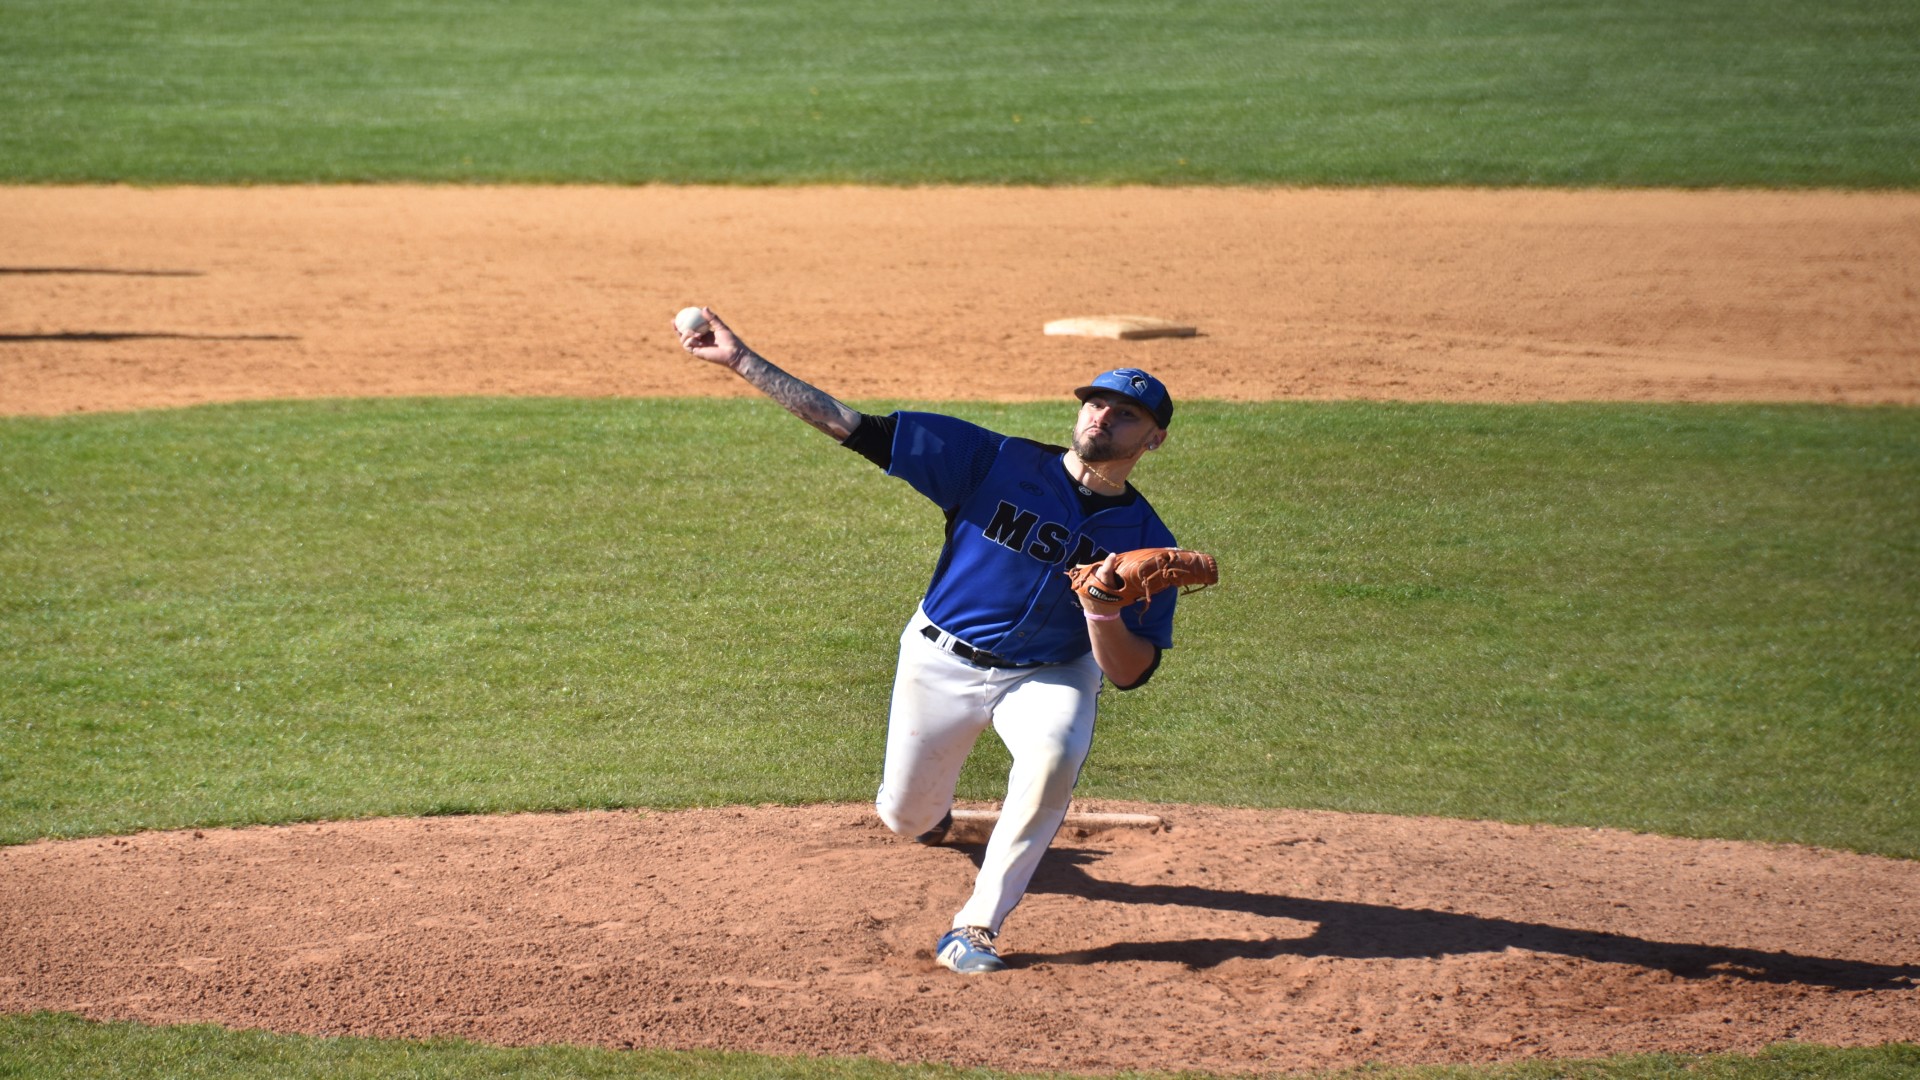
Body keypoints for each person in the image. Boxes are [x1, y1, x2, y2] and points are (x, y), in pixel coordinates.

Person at [675, 308, 1191, 974]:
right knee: (906, 818)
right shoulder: (995, 461)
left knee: (1056, 756)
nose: (1102, 418)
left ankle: (974, 928)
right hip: (939, 657)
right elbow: (851, 426)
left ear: (1155, 439)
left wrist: (1103, 614)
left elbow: (1129, 672)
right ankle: (936, 823)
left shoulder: (1150, 544)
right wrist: (743, 361)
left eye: (1125, 415)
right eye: (1096, 403)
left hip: (1048, 673)